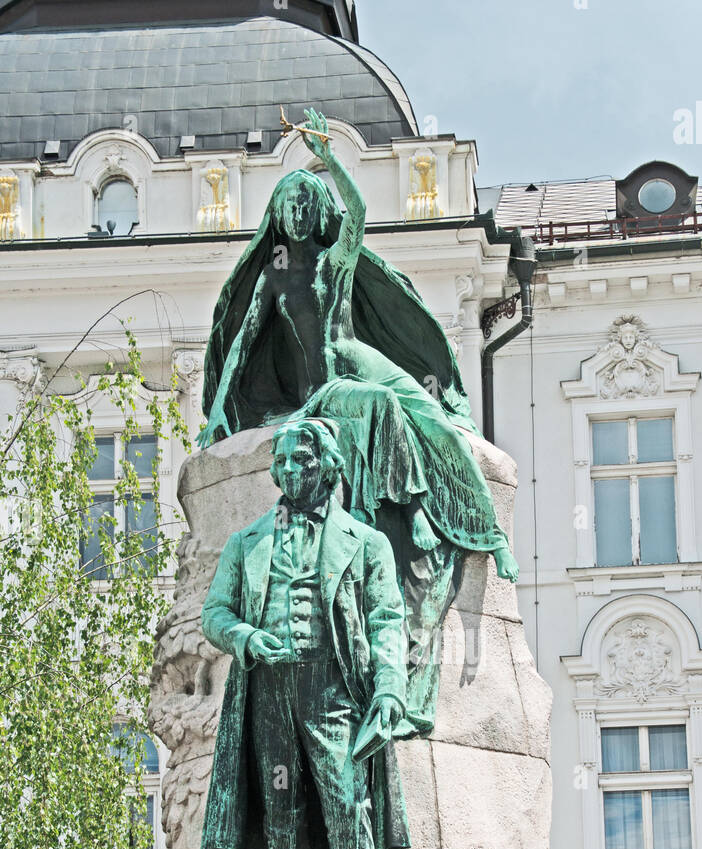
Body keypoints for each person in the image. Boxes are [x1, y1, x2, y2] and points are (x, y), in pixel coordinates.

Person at [196, 107, 518, 732]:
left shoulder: (335, 262)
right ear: (277, 218)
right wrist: (217, 416)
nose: (294, 211)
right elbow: (239, 348)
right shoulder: (273, 275)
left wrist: (329, 157)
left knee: (428, 409)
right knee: (381, 407)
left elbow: (361, 218)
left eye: (303, 201)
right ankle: (414, 508)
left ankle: (482, 531)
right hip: (325, 393)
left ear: (316, 212)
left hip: (355, 360)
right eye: (286, 203)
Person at [199, 418, 410, 849]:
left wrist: (389, 686)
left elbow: (389, 618)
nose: (292, 471)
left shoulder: (365, 542)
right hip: (269, 692)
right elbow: (214, 613)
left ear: (330, 466)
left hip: (332, 690)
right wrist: (243, 637)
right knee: (281, 816)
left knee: (348, 804)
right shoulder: (248, 541)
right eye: (284, 462)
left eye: (304, 461)